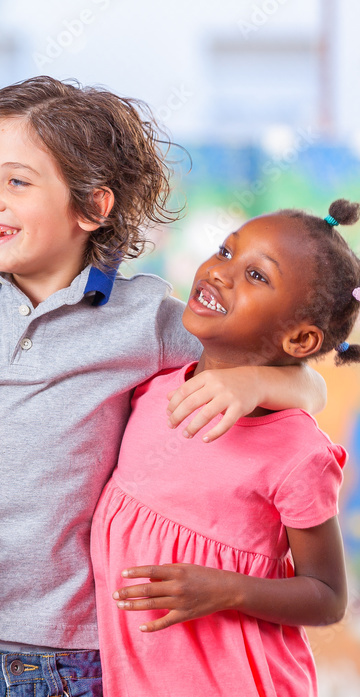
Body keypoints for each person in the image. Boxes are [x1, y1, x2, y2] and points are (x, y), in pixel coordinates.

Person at [0, 77, 327, 696]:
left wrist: (254, 380)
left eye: (17, 182)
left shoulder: (145, 318)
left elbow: (308, 388)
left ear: (93, 208)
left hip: (66, 661)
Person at [91, 201, 356, 696]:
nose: (220, 272)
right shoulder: (154, 386)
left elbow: (328, 596)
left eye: (255, 274)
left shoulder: (297, 452)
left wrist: (229, 589)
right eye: (224, 250)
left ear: (300, 338)